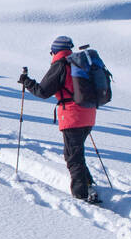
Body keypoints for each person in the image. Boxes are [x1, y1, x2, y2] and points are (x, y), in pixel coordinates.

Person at [18, 35, 102, 205]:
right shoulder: (80, 62)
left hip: (72, 115)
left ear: (55, 51)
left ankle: (82, 194)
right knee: (75, 152)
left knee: (73, 156)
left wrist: (27, 82)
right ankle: (87, 185)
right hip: (89, 113)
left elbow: (43, 91)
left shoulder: (61, 64)